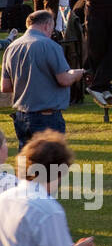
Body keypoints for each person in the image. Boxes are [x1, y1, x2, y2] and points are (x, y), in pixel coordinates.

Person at [1, 11, 84, 147]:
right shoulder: (50, 45)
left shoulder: (11, 48)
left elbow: (5, 87)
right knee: (50, 164)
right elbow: (64, 79)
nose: (52, 32)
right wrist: (77, 73)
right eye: (52, 28)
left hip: (21, 115)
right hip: (46, 117)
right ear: (46, 25)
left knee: (27, 162)